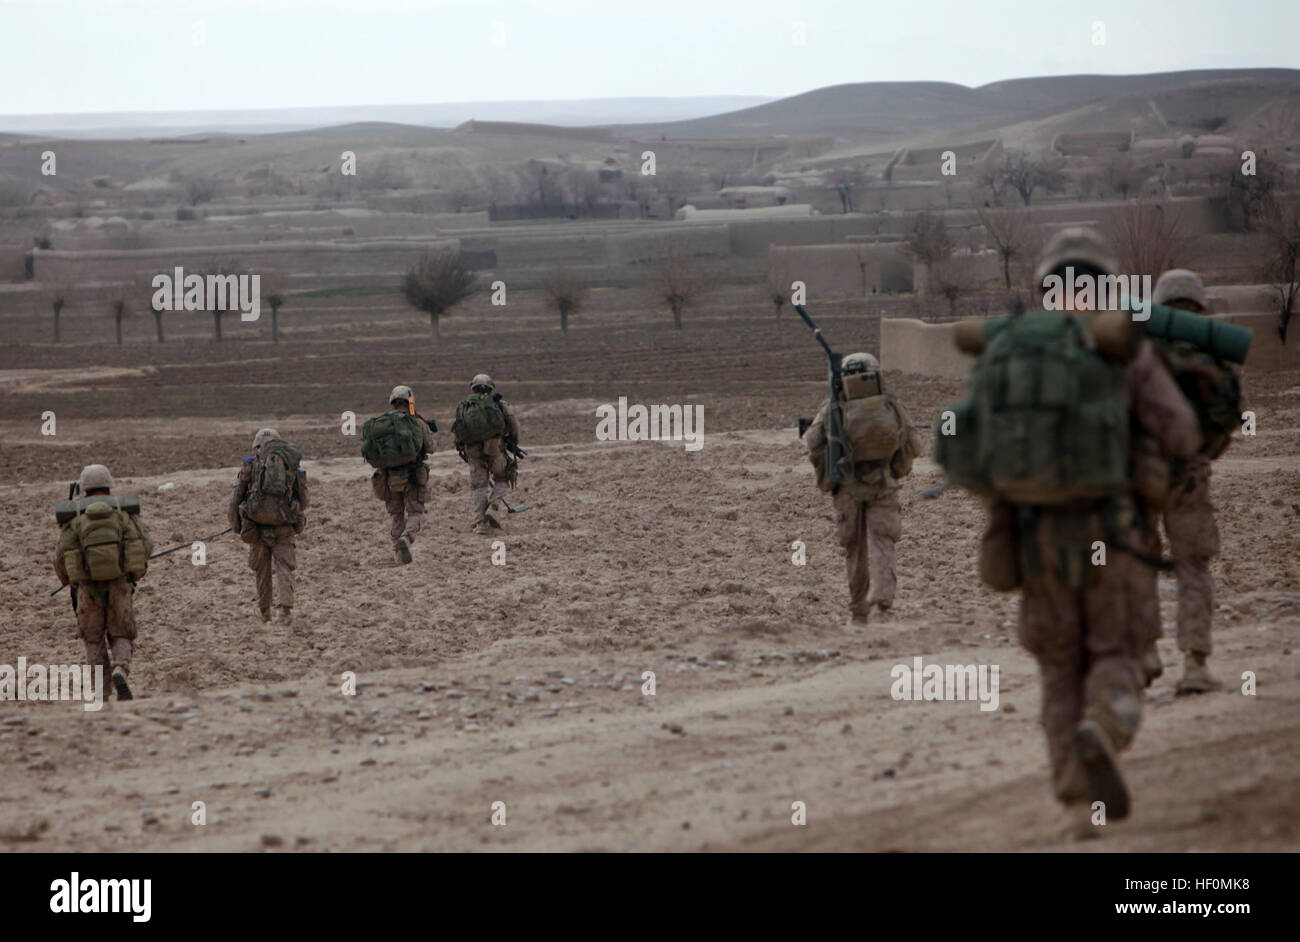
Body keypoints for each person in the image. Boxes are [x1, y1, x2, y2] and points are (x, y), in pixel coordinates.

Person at [803, 352, 920, 625]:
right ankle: (883, 606)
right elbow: (912, 442)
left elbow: (811, 441)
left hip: (846, 487)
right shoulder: (890, 404)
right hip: (884, 482)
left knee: (854, 549)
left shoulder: (834, 407)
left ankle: (858, 611)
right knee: (882, 542)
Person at [54, 464, 153, 700]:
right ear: (108, 485)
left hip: (87, 588)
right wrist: (133, 574)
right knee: (122, 633)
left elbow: (60, 557)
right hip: (120, 584)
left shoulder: (75, 518)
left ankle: (102, 690)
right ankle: (121, 668)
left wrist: (70, 582)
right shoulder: (123, 513)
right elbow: (145, 545)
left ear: (84, 489)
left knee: (93, 640)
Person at [228, 427, 308, 623]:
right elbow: (304, 500)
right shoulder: (290, 465)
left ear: (257, 447)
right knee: (284, 567)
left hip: (256, 526)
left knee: (261, 569)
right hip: (284, 524)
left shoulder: (250, 467)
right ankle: (286, 611)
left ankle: (265, 612)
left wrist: (236, 525)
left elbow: (236, 498)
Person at [362, 385, 434, 563]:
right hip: (412, 475)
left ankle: (397, 552)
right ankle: (406, 539)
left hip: (388, 477)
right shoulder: (415, 421)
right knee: (416, 513)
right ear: (410, 401)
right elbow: (431, 447)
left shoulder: (384, 424)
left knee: (396, 514)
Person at [452, 374, 522, 535]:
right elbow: (513, 425)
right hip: (496, 449)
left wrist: (462, 448)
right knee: (504, 477)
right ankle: (494, 506)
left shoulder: (464, 407)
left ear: (473, 388)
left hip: (473, 452)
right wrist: (514, 443)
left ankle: (480, 523)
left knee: (479, 487)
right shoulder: (499, 405)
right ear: (490, 388)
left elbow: (457, 430)